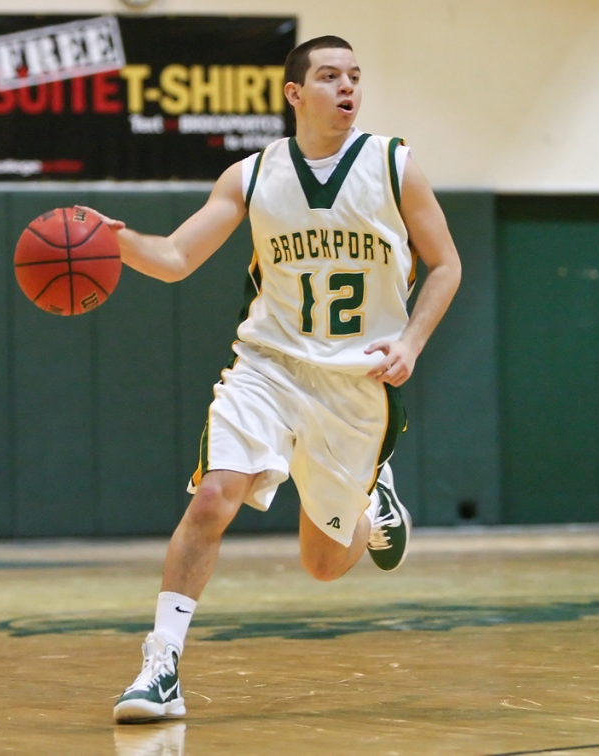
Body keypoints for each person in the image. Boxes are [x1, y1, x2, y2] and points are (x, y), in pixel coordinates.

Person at [88, 35, 461, 724]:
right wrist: (113, 239)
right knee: (212, 499)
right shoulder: (251, 176)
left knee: (322, 564)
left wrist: (411, 341)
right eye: (328, 76)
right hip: (266, 366)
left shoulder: (392, 165)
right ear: (294, 94)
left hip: (356, 382)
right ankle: (160, 667)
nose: (347, 87)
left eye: (354, 75)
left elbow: (446, 265)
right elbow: (174, 256)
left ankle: (374, 500)